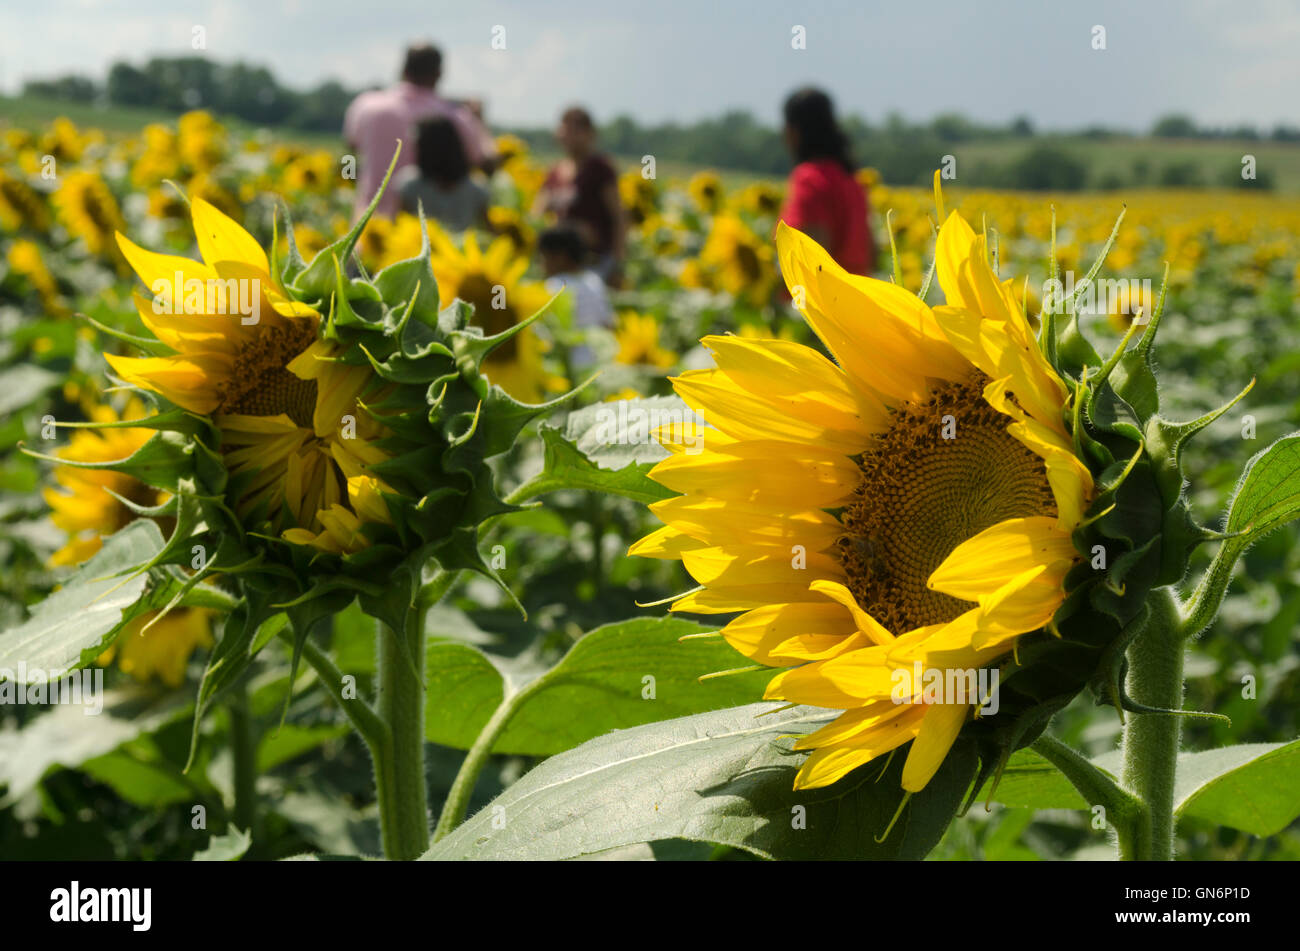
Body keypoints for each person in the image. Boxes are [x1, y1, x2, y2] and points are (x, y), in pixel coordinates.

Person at [343, 43, 498, 219]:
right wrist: (479, 120)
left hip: (368, 229)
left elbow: (351, 148)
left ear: (403, 70)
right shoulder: (454, 117)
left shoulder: (366, 106)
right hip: (425, 237)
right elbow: (488, 165)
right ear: (439, 74)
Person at [777, 87, 874, 276]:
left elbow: (813, 261)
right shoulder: (852, 181)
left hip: (816, 302)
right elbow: (872, 252)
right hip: (859, 298)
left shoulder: (810, 179)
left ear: (793, 131)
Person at [534, 107, 626, 285]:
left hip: (593, 261)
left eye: (576, 130)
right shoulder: (555, 172)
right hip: (558, 264)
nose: (569, 136)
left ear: (589, 134)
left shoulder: (600, 169)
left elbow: (619, 218)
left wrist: (616, 263)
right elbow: (537, 213)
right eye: (565, 130)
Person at [395, 117, 490, 230]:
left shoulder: (409, 184)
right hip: (460, 247)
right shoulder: (477, 187)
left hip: (418, 246)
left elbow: (399, 225)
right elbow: (487, 229)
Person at [539, 225, 613, 365]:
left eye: (544, 257)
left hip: (571, 365)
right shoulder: (594, 281)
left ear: (560, 257)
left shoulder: (553, 286)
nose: (541, 264)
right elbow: (608, 324)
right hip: (599, 359)